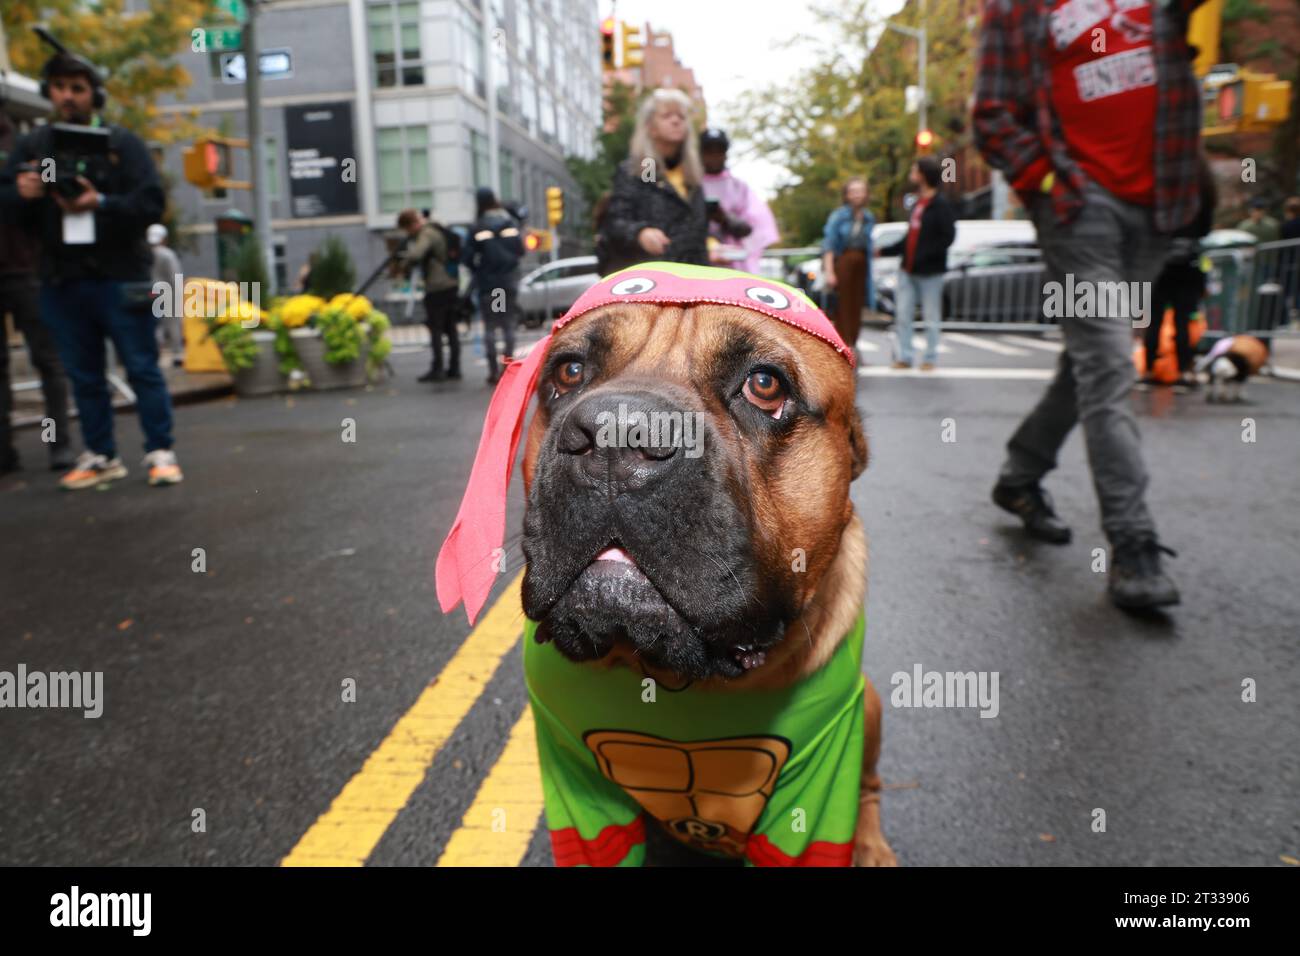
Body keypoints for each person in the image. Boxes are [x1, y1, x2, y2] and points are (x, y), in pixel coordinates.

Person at [974, 0, 1208, 610]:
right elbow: (993, 115)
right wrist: (1052, 185)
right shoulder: (1014, 7)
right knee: (1108, 363)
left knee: (1088, 361)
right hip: (1081, 211)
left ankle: (1020, 476)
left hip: (1157, 209)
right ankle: (1133, 545)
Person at [0, 50, 180, 489]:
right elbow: (8, 212)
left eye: (77, 88)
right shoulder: (34, 148)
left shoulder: (122, 144)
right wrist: (22, 194)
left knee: (141, 366)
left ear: (94, 94)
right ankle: (101, 453)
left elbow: (151, 204)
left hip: (123, 275)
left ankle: (160, 451)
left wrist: (99, 202)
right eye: (59, 87)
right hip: (62, 278)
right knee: (82, 373)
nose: (67, 97)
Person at [1, 108, 72, 476]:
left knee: (47, 360)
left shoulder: (28, 145)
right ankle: (4, 451)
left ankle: (57, 444)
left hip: (26, 268)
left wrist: (34, 187)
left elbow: (54, 187)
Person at [600, 88, 708, 275]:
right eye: (666, 116)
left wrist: (711, 245)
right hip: (652, 278)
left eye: (682, 117)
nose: (676, 121)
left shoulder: (691, 172)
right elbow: (616, 221)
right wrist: (640, 233)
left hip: (694, 276)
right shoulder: (644, 168)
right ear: (651, 127)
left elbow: (698, 226)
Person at [1141, 161, 1216, 391]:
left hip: (1159, 264)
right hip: (1187, 266)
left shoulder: (1158, 187)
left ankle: (1150, 370)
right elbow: (1205, 228)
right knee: (1183, 321)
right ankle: (1184, 371)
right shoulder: (1200, 190)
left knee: (1153, 320)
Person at [878, 157, 956, 371]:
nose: (911, 172)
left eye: (914, 169)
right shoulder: (917, 204)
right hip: (907, 271)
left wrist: (924, 255)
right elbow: (909, 239)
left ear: (923, 174)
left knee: (931, 317)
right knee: (903, 315)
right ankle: (904, 357)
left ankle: (929, 358)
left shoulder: (940, 205)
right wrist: (884, 251)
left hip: (931, 272)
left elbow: (947, 237)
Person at [699, 127, 779, 275]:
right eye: (709, 151)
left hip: (735, 267)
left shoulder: (738, 187)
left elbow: (751, 229)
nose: (714, 156)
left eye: (719, 150)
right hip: (699, 265)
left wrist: (725, 218)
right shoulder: (691, 186)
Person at [467, 187, 525, 385]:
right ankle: (507, 366)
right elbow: (520, 249)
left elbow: (467, 257)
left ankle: (493, 370)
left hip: (491, 285)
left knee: (492, 326)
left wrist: (480, 270)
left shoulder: (478, 226)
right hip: (507, 282)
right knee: (508, 325)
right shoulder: (509, 222)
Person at [396, 208, 460, 382]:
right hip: (451, 283)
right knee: (451, 329)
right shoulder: (437, 228)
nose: (408, 233)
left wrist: (404, 262)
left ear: (412, 225)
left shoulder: (427, 233)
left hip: (437, 287)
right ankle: (454, 368)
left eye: (407, 230)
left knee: (436, 329)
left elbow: (417, 254)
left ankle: (438, 369)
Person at [821, 176, 875, 353]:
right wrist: (830, 272)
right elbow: (829, 245)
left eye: (860, 191)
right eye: (853, 191)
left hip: (862, 264)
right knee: (842, 306)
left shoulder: (868, 217)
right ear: (846, 195)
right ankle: (843, 346)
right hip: (844, 262)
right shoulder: (838, 216)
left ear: (866, 194)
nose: (857, 195)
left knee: (857, 305)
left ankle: (853, 343)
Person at [147, 223, 183, 367]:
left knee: (155, 325)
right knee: (173, 324)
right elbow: (175, 276)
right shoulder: (167, 254)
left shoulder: (146, 254)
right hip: (168, 292)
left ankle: (155, 353)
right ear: (164, 238)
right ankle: (177, 354)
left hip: (151, 292)